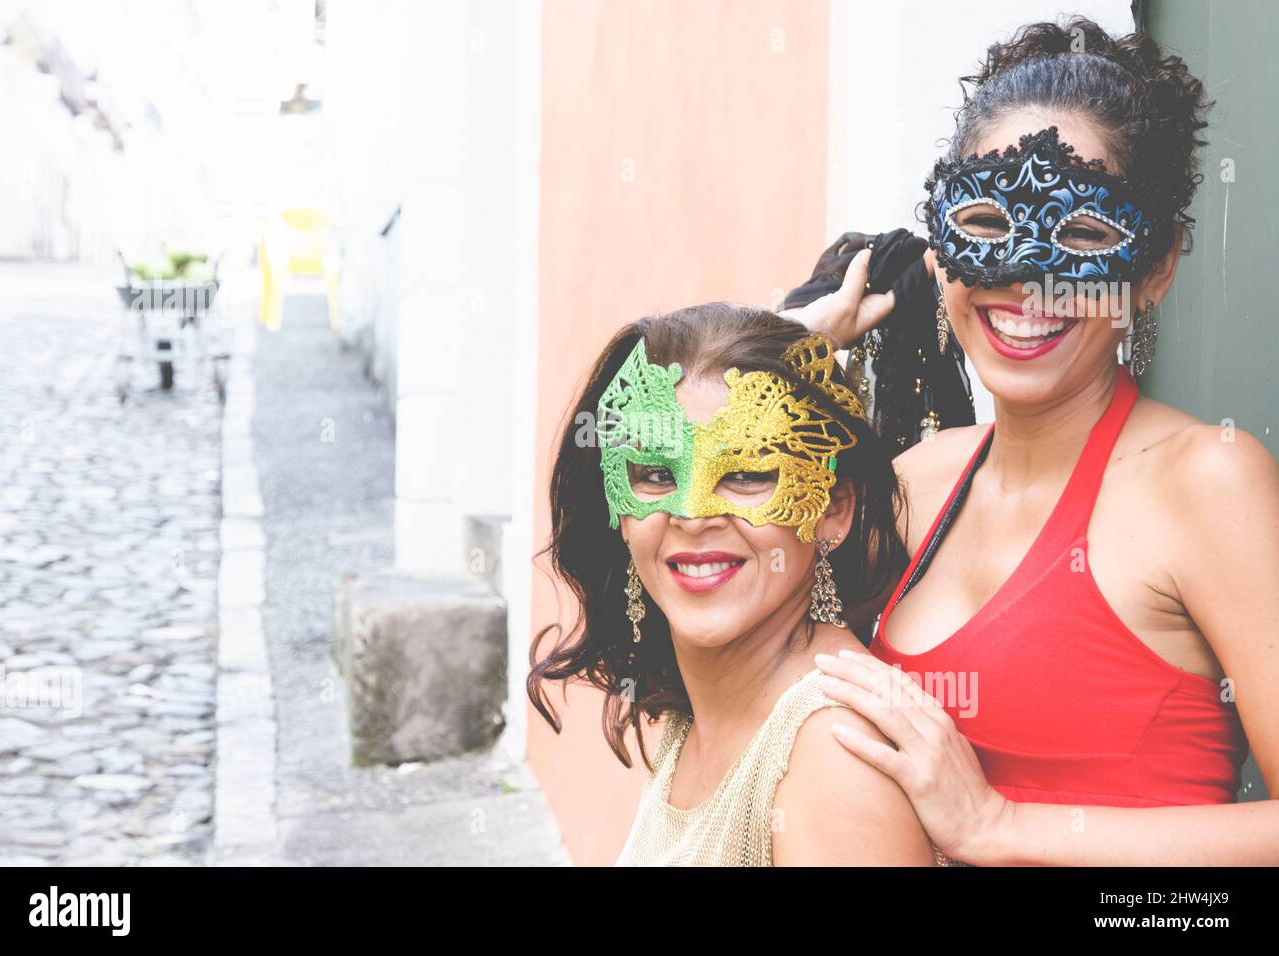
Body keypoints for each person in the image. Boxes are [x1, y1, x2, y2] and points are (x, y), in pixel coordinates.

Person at [794, 17, 1279, 865]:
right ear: (942, 250)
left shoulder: (1210, 481)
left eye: (1085, 236)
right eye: (984, 222)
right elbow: (672, 535)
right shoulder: (917, 482)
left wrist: (999, 827)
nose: (1030, 279)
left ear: (1157, 266)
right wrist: (787, 340)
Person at [527, 302, 936, 865]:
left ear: (834, 509)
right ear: (617, 512)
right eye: (654, 472)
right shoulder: (697, 711)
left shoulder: (836, 757)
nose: (693, 516)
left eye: (747, 473)